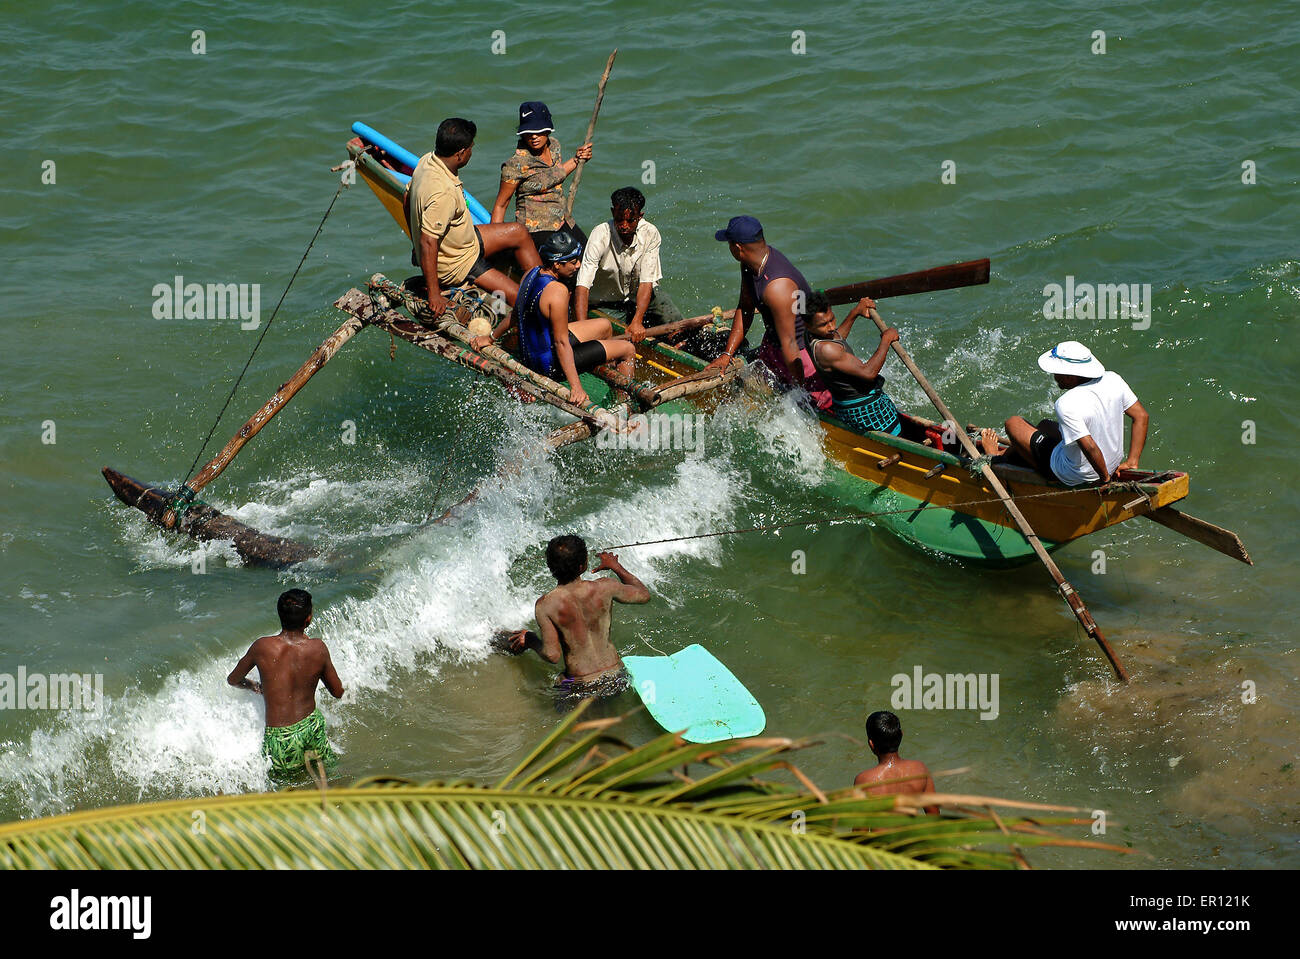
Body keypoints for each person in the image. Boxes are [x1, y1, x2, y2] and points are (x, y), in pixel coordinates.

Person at [483, 229, 635, 409]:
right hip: (549, 365)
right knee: (628, 349)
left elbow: (514, 315)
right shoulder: (558, 292)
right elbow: (561, 343)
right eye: (572, 262)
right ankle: (622, 406)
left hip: (531, 354)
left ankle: (609, 379)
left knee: (604, 326)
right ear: (556, 265)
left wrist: (491, 338)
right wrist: (576, 387)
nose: (578, 265)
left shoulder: (531, 273)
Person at [406, 117, 542, 317]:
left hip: (464, 241)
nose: (472, 151)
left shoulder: (427, 160)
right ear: (461, 153)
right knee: (522, 299)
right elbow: (428, 241)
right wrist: (434, 294)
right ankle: (532, 314)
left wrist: (414, 242)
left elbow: (406, 196)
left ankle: (544, 289)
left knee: (519, 232)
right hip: (458, 263)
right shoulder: (442, 192)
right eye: (471, 148)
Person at [703, 215, 832, 410]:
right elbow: (745, 308)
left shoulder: (778, 288)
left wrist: (800, 392)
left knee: (813, 406)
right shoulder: (749, 265)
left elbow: (790, 344)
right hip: (773, 347)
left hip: (800, 358)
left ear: (737, 248)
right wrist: (727, 354)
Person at [979, 340, 1149, 486]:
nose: (1054, 376)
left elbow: (1089, 446)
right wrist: (1132, 462)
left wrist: (1105, 479)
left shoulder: (1067, 403)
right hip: (1110, 463)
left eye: (1057, 372)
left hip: (1074, 475)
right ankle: (1006, 454)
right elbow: (1141, 416)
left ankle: (994, 457)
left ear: (1070, 377)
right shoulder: (1113, 379)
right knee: (1045, 425)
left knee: (1013, 423)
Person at [505, 535, 651, 698]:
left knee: (557, 686)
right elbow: (644, 595)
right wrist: (616, 567)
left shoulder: (545, 605)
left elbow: (552, 655)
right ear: (584, 565)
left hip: (581, 687)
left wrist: (531, 639)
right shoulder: (606, 586)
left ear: (549, 566)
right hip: (617, 677)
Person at [227, 589, 345, 780]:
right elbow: (337, 692)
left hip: (281, 739)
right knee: (328, 778)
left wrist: (253, 686)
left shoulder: (262, 647)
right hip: (311, 727)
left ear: (280, 615)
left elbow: (233, 679)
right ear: (308, 619)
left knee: (287, 791)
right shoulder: (318, 648)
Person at [573, 187, 684, 344]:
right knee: (610, 336)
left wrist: (637, 321)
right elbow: (582, 286)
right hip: (606, 303)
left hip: (638, 295)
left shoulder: (650, 234)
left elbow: (646, 282)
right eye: (619, 220)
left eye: (630, 220)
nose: (624, 226)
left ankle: (681, 344)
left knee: (675, 321)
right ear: (613, 213)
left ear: (640, 217)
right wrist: (582, 328)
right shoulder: (600, 235)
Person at [491, 101, 592, 250]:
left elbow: (554, 175)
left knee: (589, 252)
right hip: (536, 230)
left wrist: (577, 159)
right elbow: (501, 204)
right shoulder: (515, 165)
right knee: (568, 263)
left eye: (538, 131)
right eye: (528, 133)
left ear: (548, 129)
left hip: (562, 219)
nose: (534, 137)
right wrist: (496, 241)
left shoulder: (554, 147)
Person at [804, 291, 905, 436]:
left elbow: (837, 339)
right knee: (897, 436)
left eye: (832, 319)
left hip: (847, 405)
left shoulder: (812, 335)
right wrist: (886, 340)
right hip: (865, 410)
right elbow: (868, 373)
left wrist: (855, 312)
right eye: (824, 324)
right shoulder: (826, 350)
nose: (832, 327)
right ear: (807, 325)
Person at [854, 710, 938, 814]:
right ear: (901, 735)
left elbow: (860, 829)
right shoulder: (920, 769)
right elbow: (934, 816)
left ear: (871, 744)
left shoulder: (864, 780)